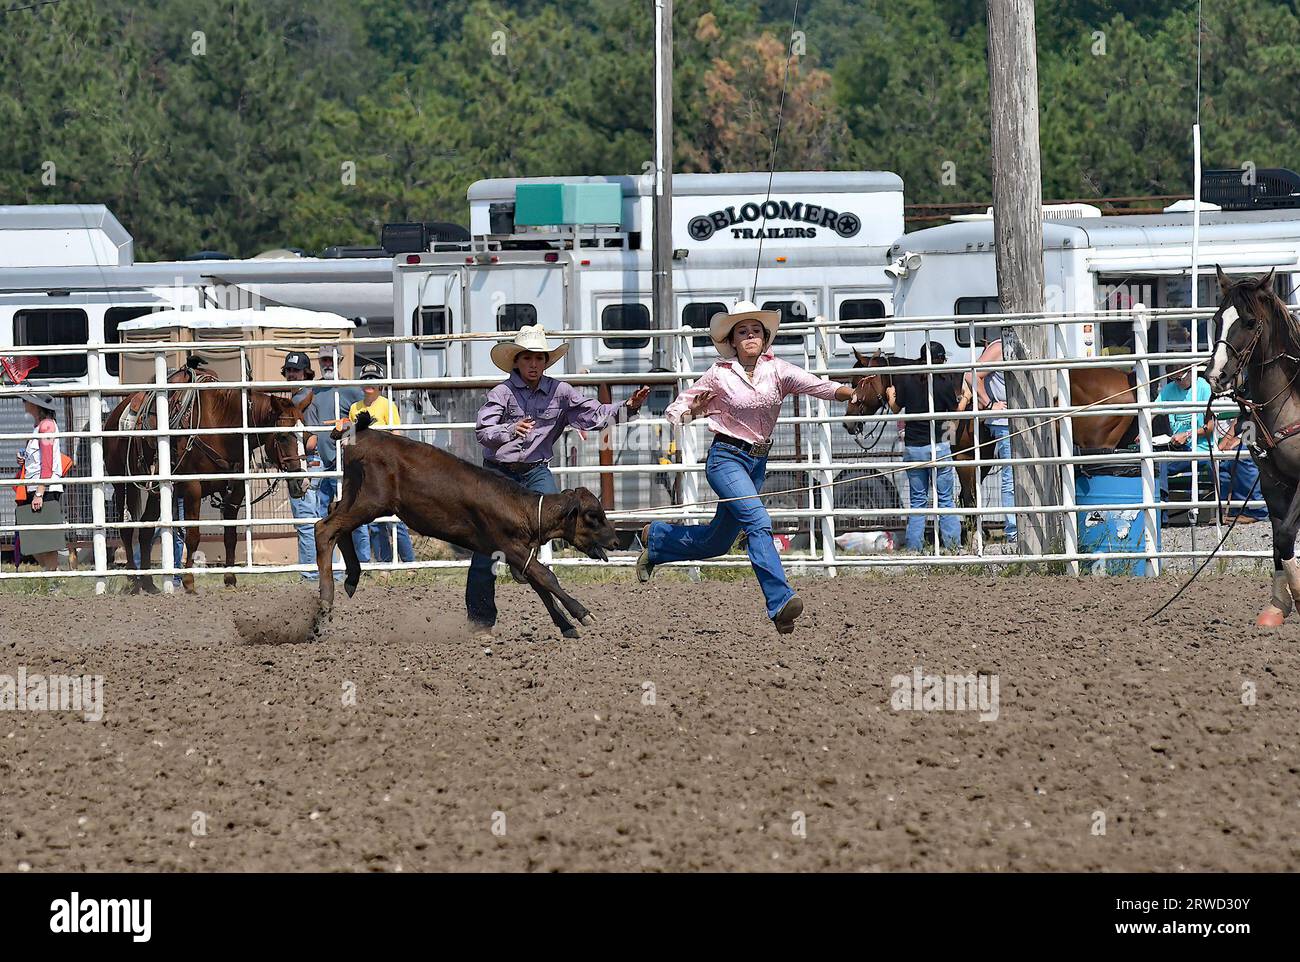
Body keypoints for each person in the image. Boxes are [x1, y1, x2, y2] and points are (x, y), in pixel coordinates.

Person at [635, 302, 857, 634]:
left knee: (716, 543)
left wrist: (851, 393)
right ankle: (780, 602)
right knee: (758, 520)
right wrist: (693, 410)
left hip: (756, 463)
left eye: (755, 331)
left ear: (764, 338)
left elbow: (818, 385)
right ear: (733, 341)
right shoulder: (719, 373)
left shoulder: (778, 370)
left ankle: (658, 541)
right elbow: (675, 411)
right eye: (743, 331)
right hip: (725, 458)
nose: (750, 336)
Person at [469, 325, 650, 633]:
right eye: (527, 358)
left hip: (535, 470)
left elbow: (594, 415)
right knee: (485, 545)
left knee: (558, 513)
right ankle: (480, 619)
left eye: (539, 358)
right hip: (498, 475)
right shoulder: (501, 393)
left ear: (545, 361)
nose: (533, 364)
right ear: (517, 361)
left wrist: (628, 408)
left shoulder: (560, 392)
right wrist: (510, 430)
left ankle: (527, 557)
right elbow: (483, 432)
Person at [888, 341, 971, 552]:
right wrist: (965, 399)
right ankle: (952, 548)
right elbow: (952, 417)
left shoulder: (907, 380)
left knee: (918, 502)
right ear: (940, 360)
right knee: (945, 500)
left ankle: (914, 550)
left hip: (914, 448)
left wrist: (890, 396)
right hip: (939, 447)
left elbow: (896, 408)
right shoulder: (943, 383)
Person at [349, 362, 416, 568]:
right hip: (367, 469)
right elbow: (351, 440)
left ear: (380, 385)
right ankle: (384, 563)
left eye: (374, 380)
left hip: (386, 467)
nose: (370, 383)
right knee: (375, 522)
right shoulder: (355, 408)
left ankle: (408, 563)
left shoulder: (388, 405)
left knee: (397, 518)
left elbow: (396, 435)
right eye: (366, 379)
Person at [308, 345, 366, 572]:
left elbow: (358, 420)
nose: (327, 364)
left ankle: (362, 561)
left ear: (339, 360)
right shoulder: (316, 391)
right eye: (324, 360)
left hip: (345, 461)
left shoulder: (351, 390)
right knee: (323, 513)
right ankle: (326, 564)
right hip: (323, 461)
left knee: (353, 511)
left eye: (331, 359)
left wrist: (349, 448)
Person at [965, 337, 1016, 544]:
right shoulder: (999, 347)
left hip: (1016, 419)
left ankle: (1017, 528)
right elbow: (971, 375)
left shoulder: (1012, 345)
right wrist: (989, 404)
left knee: (1016, 473)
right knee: (1011, 475)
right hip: (1004, 421)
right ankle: (1013, 532)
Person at [14, 393, 67, 584]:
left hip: (43, 487)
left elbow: (47, 463)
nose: (24, 403)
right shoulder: (41, 427)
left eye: (26, 400)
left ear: (35, 405)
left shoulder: (46, 426)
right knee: (34, 537)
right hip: (36, 486)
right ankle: (53, 573)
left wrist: (39, 492)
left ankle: (53, 577)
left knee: (45, 538)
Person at [282, 351, 321, 580]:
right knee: (315, 518)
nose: (291, 374)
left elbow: (313, 437)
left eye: (296, 370)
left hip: (306, 464)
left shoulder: (299, 401)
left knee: (306, 520)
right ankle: (328, 572)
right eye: (289, 370)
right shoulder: (311, 395)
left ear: (306, 372)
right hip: (315, 463)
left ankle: (309, 574)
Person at [1155, 366, 1214, 497]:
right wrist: (1142, 430)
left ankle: (1161, 503)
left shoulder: (1203, 387)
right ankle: (1159, 503)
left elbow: (1210, 427)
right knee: (1155, 461)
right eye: (1172, 378)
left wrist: (1187, 434)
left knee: (1159, 464)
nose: (1176, 382)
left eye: (1179, 379)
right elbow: (1151, 411)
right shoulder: (1169, 389)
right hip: (1178, 448)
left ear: (1191, 372)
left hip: (1199, 449)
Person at [1216, 416, 1267, 523]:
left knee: (1242, 455)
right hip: (1249, 431)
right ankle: (1232, 511)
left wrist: (1239, 439)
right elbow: (1241, 418)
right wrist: (1222, 445)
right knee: (1219, 462)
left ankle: (1256, 511)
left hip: (1266, 434)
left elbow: (1259, 417)